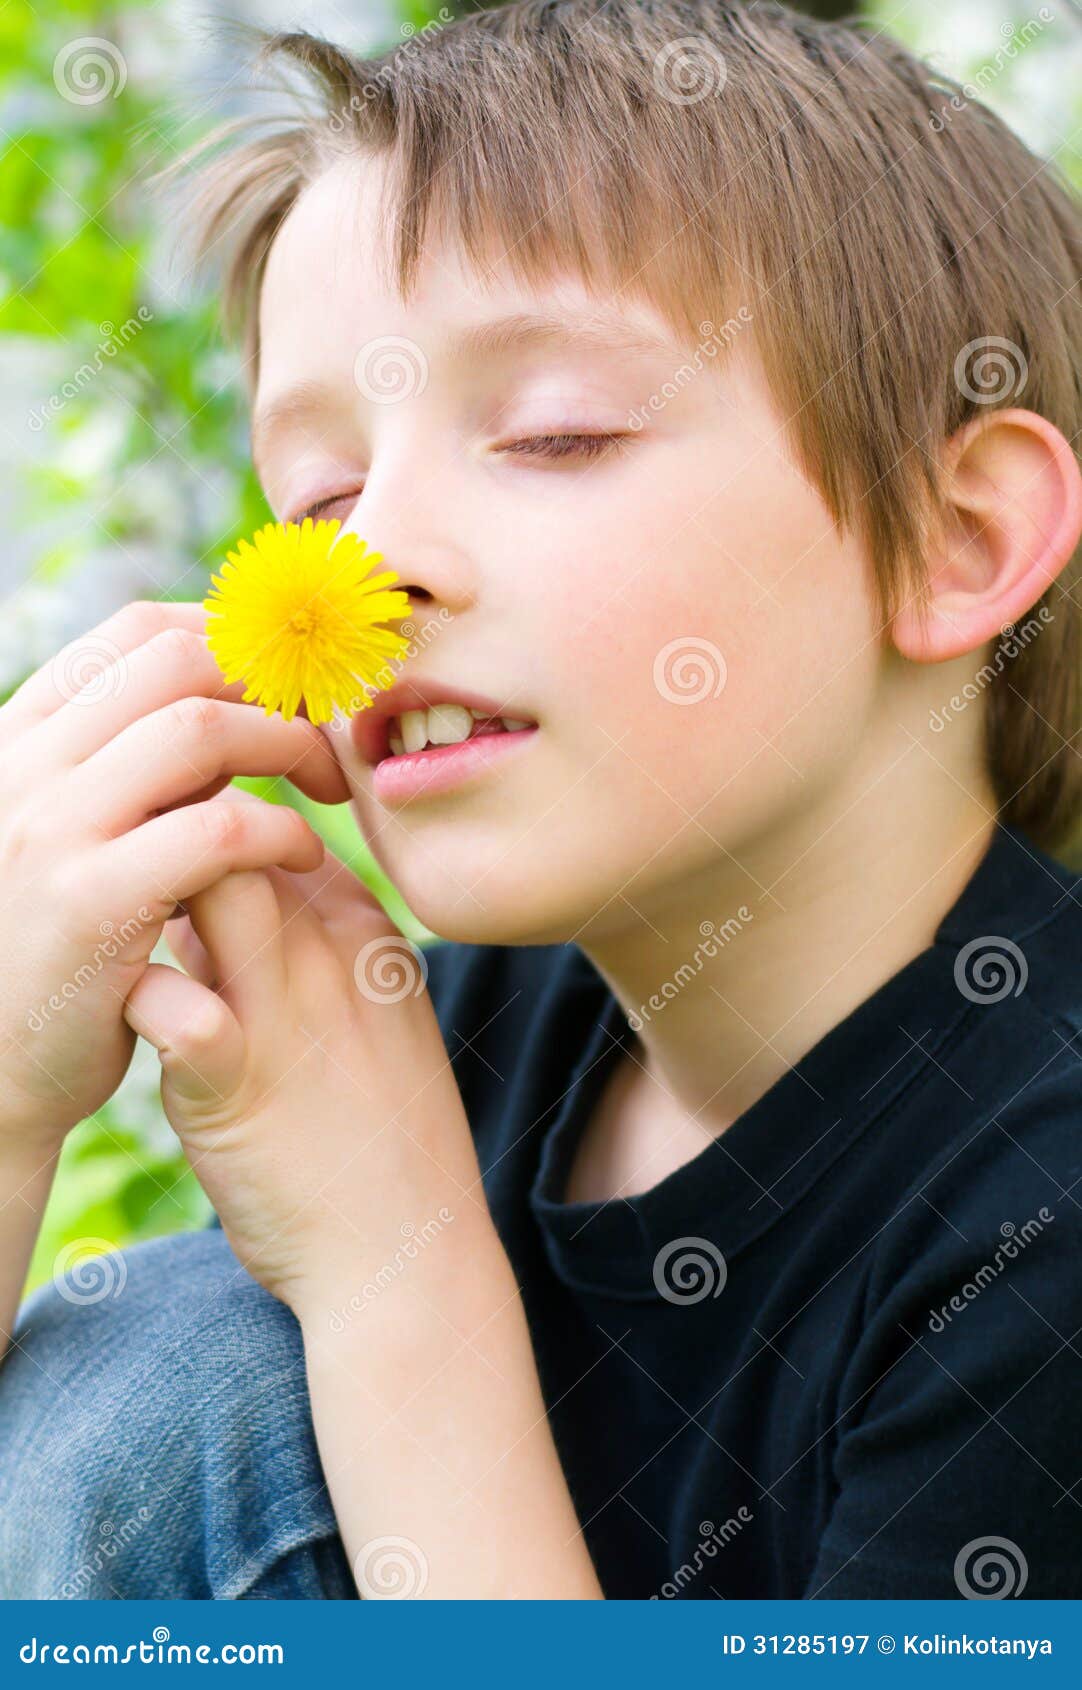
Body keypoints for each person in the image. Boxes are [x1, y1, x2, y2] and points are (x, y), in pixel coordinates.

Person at [1, 0, 1079, 1599]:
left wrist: (396, 1273)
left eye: (554, 433)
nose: (372, 557)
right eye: (319, 492)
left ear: (955, 539)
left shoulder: (1035, 1221)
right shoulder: (437, 1037)